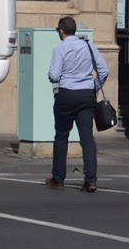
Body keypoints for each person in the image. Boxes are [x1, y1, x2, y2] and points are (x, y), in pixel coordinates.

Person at [46, 15, 109, 193]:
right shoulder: (89, 46)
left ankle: (58, 179)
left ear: (61, 31)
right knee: (87, 138)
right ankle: (90, 180)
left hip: (66, 95)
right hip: (86, 95)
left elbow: (54, 76)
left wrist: (50, 74)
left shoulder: (60, 49)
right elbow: (104, 70)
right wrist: (94, 86)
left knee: (61, 136)